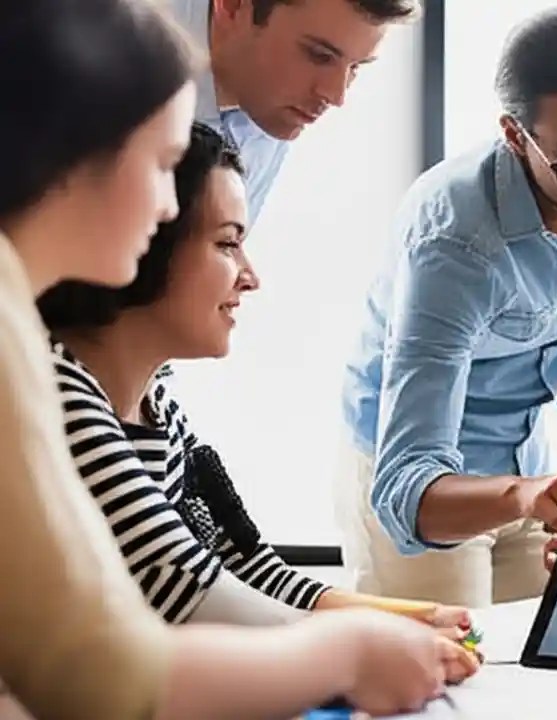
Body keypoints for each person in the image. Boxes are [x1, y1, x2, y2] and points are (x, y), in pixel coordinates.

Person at [0, 1, 462, 717]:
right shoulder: (42, 367)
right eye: (159, 165)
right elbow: (98, 659)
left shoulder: (127, 390)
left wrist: (377, 627)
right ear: (79, 157)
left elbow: (237, 560)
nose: (163, 206)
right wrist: (349, 649)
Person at [35, 124, 473, 646]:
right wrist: (378, 641)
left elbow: (249, 569)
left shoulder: (156, 409)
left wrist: (418, 618)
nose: (249, 276)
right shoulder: (58, 398)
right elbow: (195, 593)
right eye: (227, 244)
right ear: (145, 241)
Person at [338, 2, 557, 607]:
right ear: (515, 136)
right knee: (451, 674)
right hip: (429, 484)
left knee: (553, 665)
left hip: (527, 465)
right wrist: (527, 495)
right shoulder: (455, 241)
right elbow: (408, 485)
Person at [165, 0, 421, 224]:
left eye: (355, 67)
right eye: (319, 56)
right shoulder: (135, 62)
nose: (335, 96)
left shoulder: (270, 104)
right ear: (233, 5)